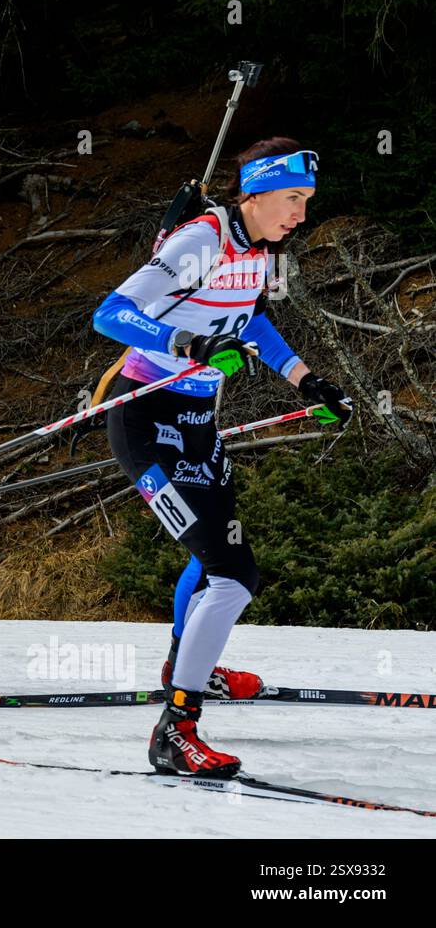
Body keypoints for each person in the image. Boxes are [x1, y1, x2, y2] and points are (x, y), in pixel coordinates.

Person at [91, 139, 351, 776]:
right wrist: (191, 342)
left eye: (307, 202)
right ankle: (175, 730)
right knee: (233, 573)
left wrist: (306, 381)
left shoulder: (258, 252)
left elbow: (252, 323)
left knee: (213, 564)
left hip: (198, 423)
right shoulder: (199, 242)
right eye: (293, 199)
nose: (301, 214)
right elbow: (112, 313)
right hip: (145, 418)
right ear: (255, 194)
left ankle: (185, 667)